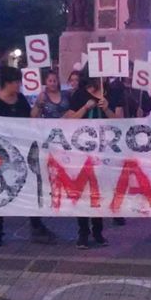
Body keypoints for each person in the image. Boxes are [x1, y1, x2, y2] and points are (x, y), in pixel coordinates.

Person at [0, 66, 58, 247]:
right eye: (16, 82)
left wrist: (38, 105)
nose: (20, 85)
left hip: (22, 151)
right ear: (8, 83)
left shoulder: (20, 99)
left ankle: (36, 225)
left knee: (31, 188)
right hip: (1, 155)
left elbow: (28, 119)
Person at [66, 69, 116, 247]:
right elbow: (70, 120)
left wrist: (107, 108)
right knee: (83, 192)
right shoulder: (79, 94)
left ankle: (98, 230)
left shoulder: (108, 93)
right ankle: (83, 232)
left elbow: (120, 121)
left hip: (103, 151)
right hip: (82, 151)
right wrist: (85, 107)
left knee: (99, 191)